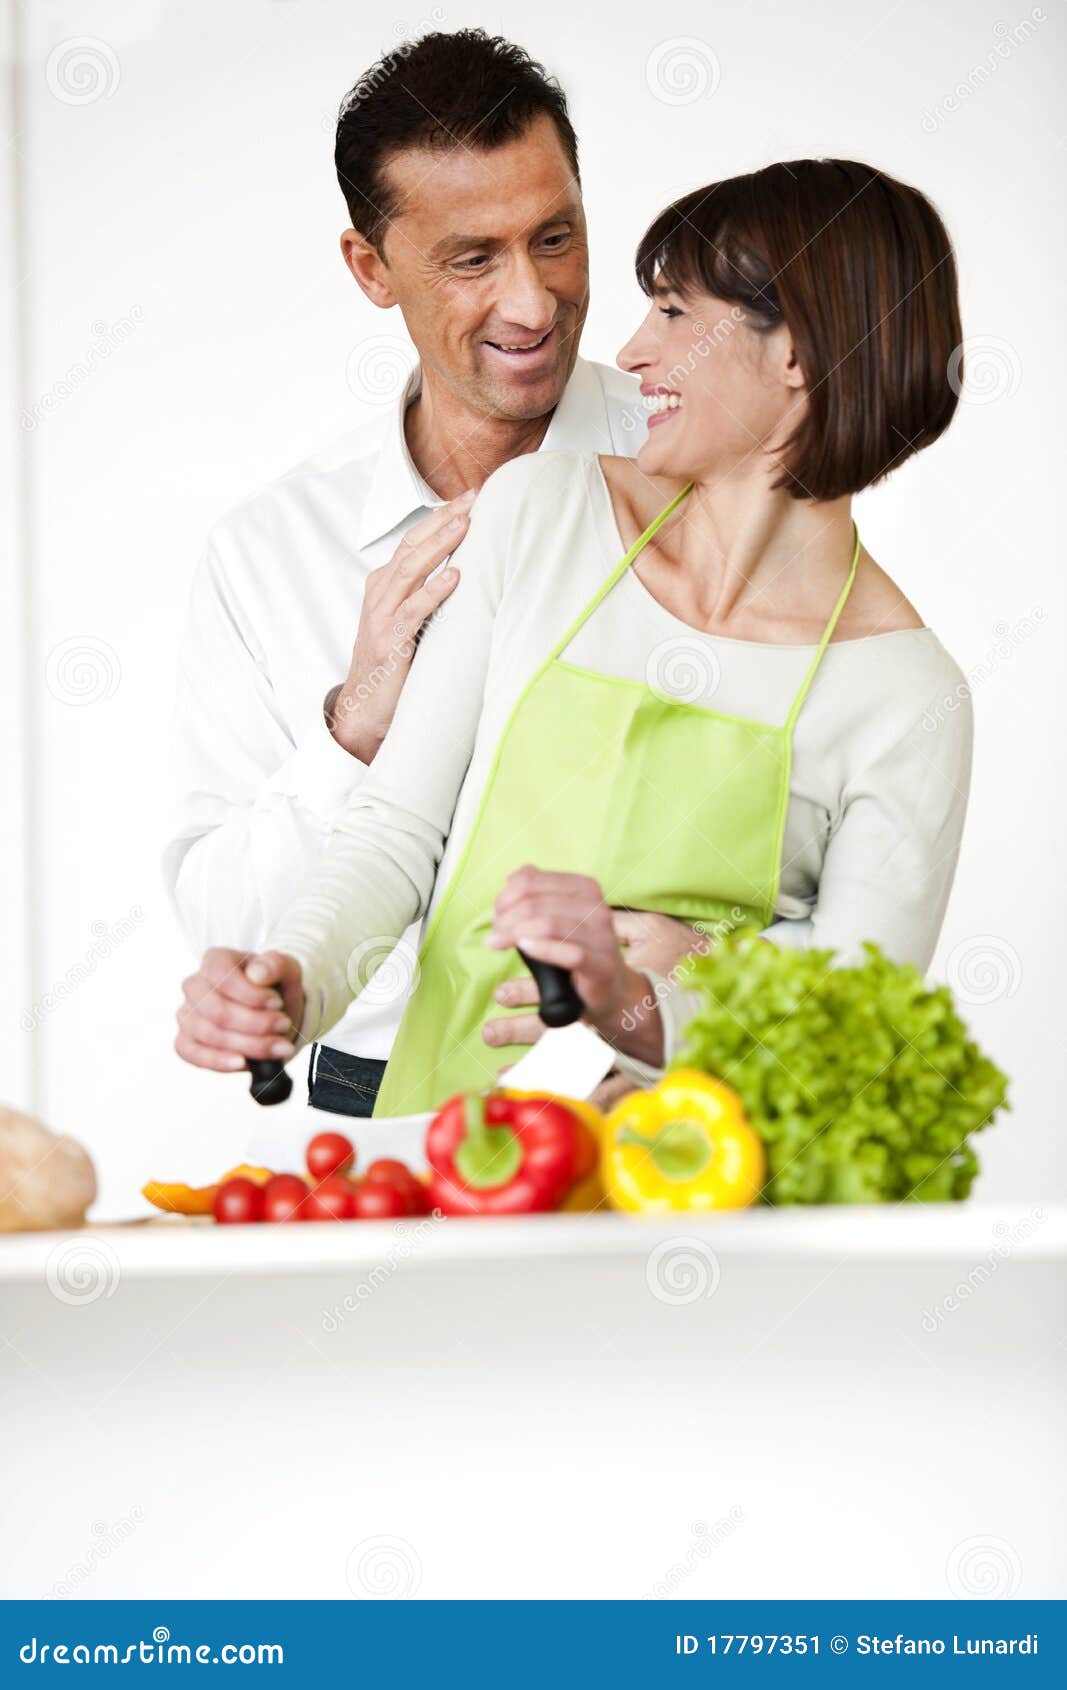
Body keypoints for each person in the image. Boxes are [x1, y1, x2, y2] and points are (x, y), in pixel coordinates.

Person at [178, 158, 973, 1120]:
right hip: (445, 1139)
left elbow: (858, 1028)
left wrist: (647, 997)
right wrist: (295, 982)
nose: (631, 353)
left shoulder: (905, 692)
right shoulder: (540, 512)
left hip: (700, 1169)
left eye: (673, 314)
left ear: (796, 353)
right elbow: (395, 831)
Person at [167, 30, 693, 1118]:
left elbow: (811, 843)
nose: (532, 304)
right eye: (470, 259)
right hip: (372, 1127)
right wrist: (353, 726)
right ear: (371, 268)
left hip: (654, 1098)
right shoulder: (268, 554)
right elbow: (231, 934)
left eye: (555, 238)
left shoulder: (703, 467)